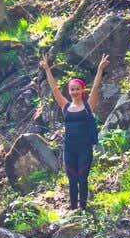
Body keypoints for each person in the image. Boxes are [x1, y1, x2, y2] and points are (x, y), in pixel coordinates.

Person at [40, 53, 108, 211]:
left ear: (82, 90)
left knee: (82, 179)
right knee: (72, 180)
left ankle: (83, 209)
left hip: (84, 149)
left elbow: (95, 87)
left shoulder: (88, 106)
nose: (75, 91)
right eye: (72, 89)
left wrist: (99, 69)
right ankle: (73, 208)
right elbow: (54, 89)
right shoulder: (65, 106)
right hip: (69, 149)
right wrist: (47, 69)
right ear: (69, 91)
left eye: (77, 89)